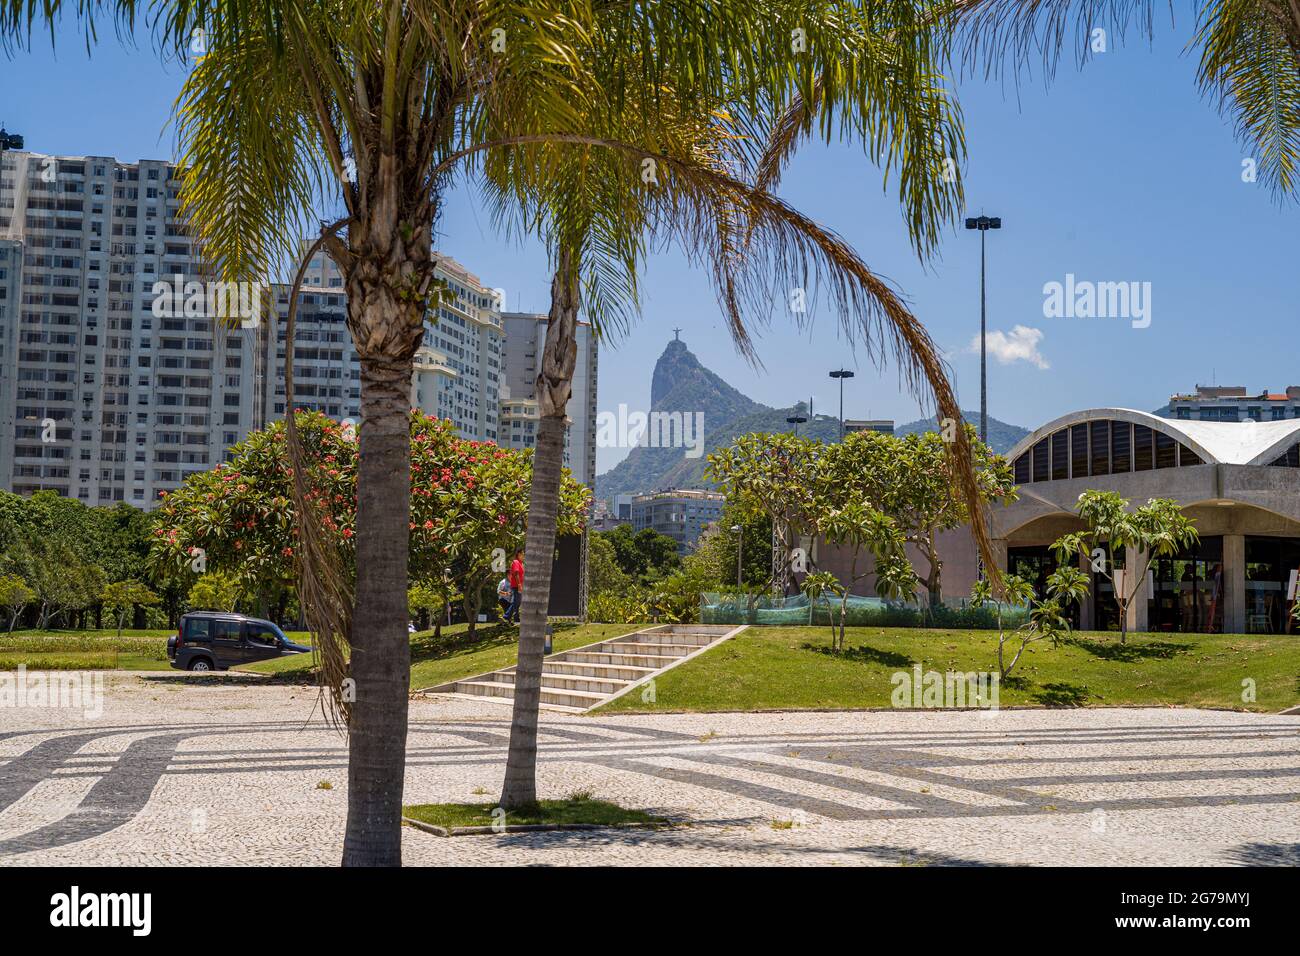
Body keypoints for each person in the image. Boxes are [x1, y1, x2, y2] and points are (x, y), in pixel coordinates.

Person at [505, 550, 524, 624]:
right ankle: (507, 616)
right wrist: (519, 584)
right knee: (516, 602)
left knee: (518, 602)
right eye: (523, 554)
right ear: (519, 554)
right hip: (516, 586)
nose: (524, 556)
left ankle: (516, 618)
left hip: (519, 586)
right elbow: (516, 574)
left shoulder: (521, 563)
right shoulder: (516, 562)